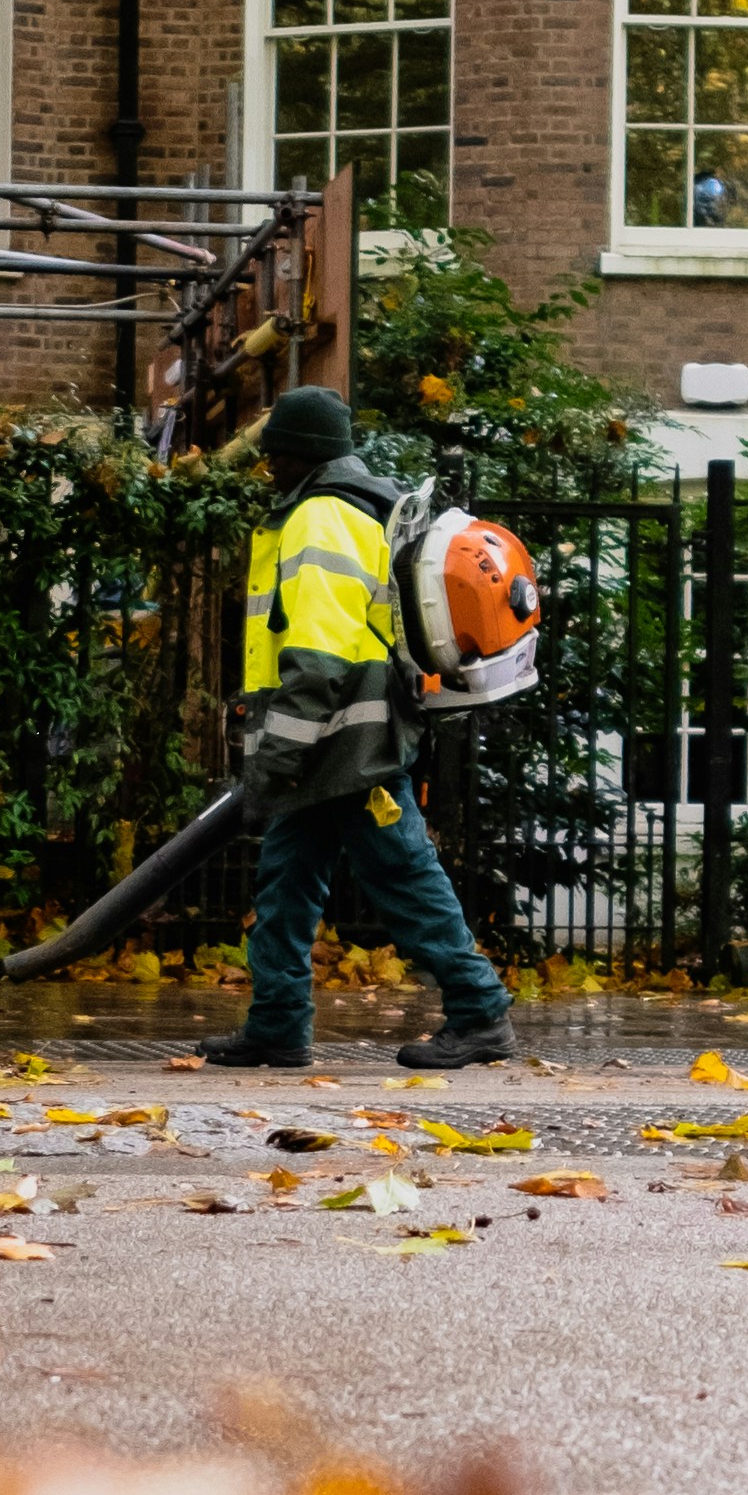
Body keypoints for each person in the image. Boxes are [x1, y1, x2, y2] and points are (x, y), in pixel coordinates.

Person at [203, 383, 516, 1073]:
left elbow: (318, 658)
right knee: (284, 887)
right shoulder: (352, 511)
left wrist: (275, 757)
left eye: (275, 454)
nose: (267, 467)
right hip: (335, 739)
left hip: (346, 747)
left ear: (298, 454)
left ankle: (479, 1012)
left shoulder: (318, 518)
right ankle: (277, 1026)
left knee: (401, 873)